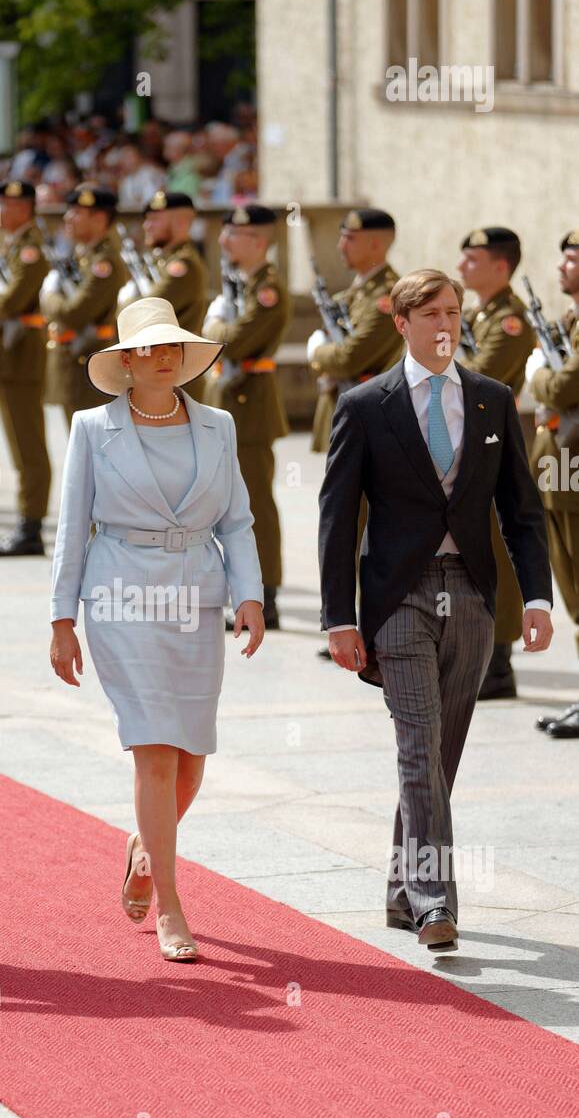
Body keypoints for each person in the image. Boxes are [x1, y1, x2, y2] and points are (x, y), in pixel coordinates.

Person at [319, 269, 553, 955]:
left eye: (452, 311)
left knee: (438, 756)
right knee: (416, 747)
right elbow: (337, 518)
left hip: (474, 597)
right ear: (401, 324)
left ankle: (401, 886)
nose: (445, 324)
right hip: (399, 596)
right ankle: (432, 902)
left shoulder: (490, 400)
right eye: (430, 314)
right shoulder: (364, 405)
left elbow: (521, 511)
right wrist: (338, 616)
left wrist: (534, 596)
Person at [49, 298, 264, 963]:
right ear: (124, 361)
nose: (163, 356)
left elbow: (236, 521)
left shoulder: (219, 425)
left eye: (172, 346)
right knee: (155, 750)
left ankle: (146, 847)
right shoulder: (91, 427)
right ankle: (171, 906)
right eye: (147, 347)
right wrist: (62, 620)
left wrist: (250, 595)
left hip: (197, 596)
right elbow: (71, 525)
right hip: (119, 595)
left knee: (192, 759)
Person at [201, 203, 289, 630]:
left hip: (250, 407)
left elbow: (232, 342)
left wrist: (214, 324)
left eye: (232, 234)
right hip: (229, 402)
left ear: (257, 240)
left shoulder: (267, 289)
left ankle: (265, 596)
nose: (222, 241)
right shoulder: (241, 284)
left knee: (255, 506)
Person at [455, 227, 534, 700]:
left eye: (472, 259)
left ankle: (500, 662)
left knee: (496, 551)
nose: (462, 266)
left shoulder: (510, 322)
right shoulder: (478, 316)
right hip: (470, 445)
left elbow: (476, 379)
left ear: (500, 266)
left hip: (495, 445)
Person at [0, 179, 51, 557]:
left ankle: (31, 523)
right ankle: (28, 521)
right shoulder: (14, 246)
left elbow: (10, 301)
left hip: (23, 356)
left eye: (4, 204)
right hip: (9, 356)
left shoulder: (30, 250)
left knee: (28, 443)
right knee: (19, 443)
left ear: (23, 208)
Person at [526, 231, 579, 739]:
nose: (563, 267)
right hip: (558, 475)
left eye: (573, 260)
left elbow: (564, 388)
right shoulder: (569, 323)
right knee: (573, 595)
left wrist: (537, 374)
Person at [308, 208, 404, 454]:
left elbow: (349, 358)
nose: (341, 246)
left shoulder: (388, 297)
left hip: (371, 416)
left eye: (350, 239)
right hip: (343, 408)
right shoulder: (353, 293)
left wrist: (316, 353)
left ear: (375, 244)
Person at [40, 183, 128, 426]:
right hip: (76, 365)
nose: (68, 218)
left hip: (92, 369)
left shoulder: (104, 263)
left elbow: (73, 314)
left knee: (96, 455)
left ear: (99, 218)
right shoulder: (84, 256)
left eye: (77, 212)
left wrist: (48, 296)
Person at [120, 190, 208, 402]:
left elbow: (145, 312)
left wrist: (126, 300)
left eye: (155, 219)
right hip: (161, 370)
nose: (147, 226)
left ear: (181, 222)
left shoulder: (183, 265)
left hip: (176, 373)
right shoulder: (164, 261)